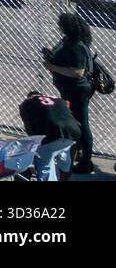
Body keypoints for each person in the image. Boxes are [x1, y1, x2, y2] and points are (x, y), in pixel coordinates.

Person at [42, 12, 97, 174]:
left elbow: (77, 72)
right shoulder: (66, 41)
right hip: (68, 89)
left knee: (82, 123)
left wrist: (52, 67)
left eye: (61, 24)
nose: (59, 27)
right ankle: (77, 151)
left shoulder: (77, 46)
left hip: (78, 90)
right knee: (74, 121)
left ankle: (86, 160)